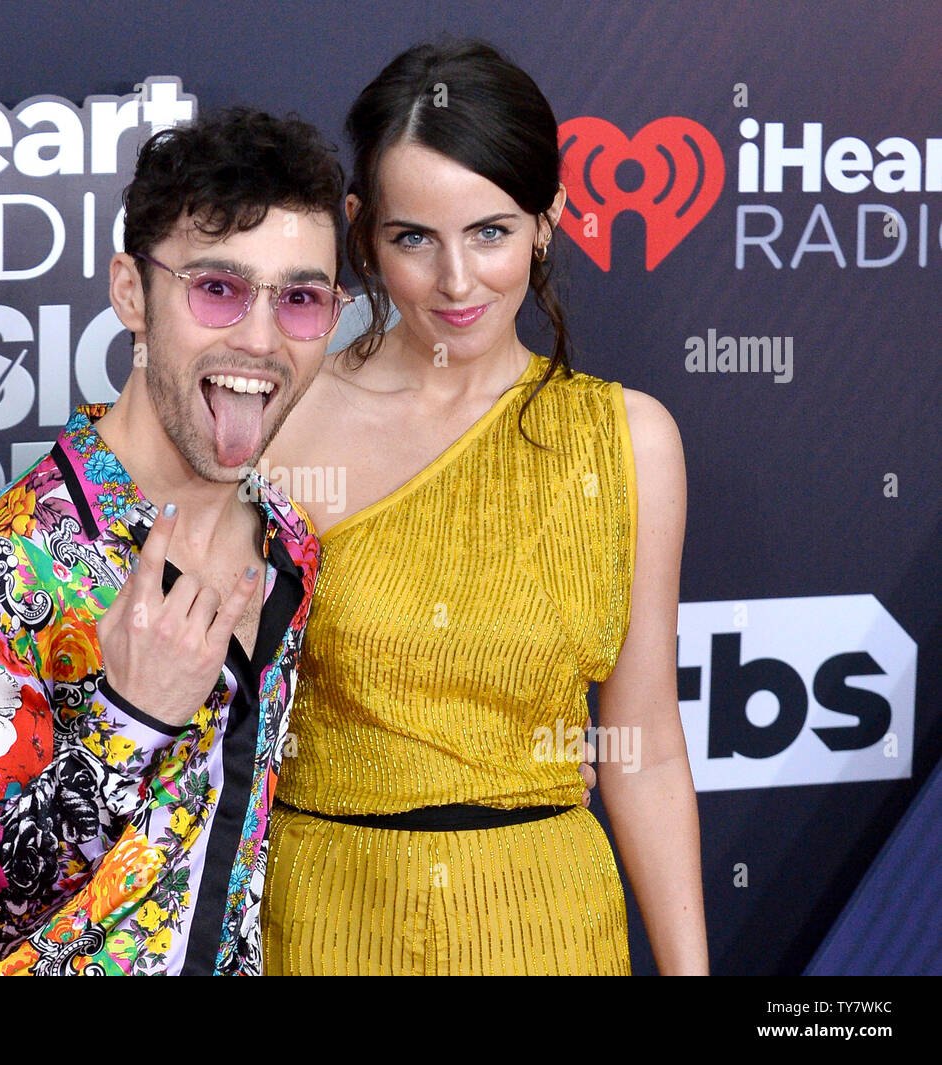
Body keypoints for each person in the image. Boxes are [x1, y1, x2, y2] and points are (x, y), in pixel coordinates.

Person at [255, 40, 708, 975]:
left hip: (548, 921)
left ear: (545, 222)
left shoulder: (631, 441)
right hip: (324, 915)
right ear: (362, 231)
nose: (457, 283)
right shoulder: (279, 416)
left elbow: (646, 747)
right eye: (414, 237)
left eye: (491, 232)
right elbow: (184, 704)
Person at [0, 107, 350, 975]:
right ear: (132, 293)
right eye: (218, 288)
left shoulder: (291, 545)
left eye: (299, 298)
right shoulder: (0, 565)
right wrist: (129, 721)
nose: (258, 337)